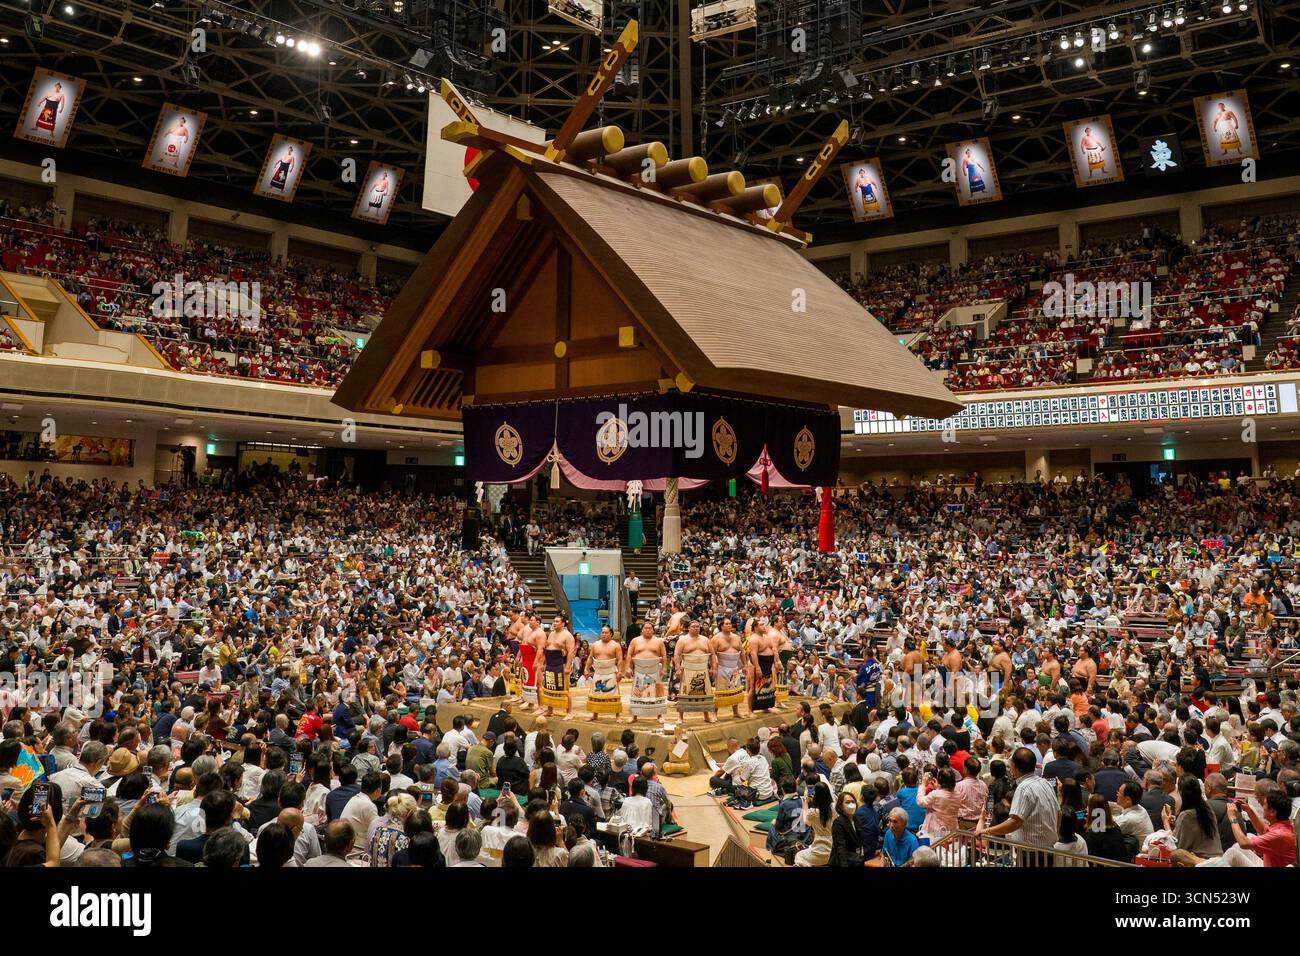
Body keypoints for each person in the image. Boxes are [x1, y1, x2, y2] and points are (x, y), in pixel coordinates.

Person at [976, 747, 1060, 858]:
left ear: (1014, 766)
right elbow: (1059, 813)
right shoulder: (1045, 783)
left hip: (1031, 853)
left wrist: (985, 831)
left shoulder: (1023, 788)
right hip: (1049, 848)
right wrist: (1055, 836)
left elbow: (1015, 822)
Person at [1163, 774, 1223, 859]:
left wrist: (1166, 822)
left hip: (1202, 862)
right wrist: (1177, 822)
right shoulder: (1207, 808)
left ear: (1180, 791)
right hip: (1218, 859)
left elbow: (1175, 848)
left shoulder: (1186, 816)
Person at [794, 782, 833, 867]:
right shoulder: (834, 807)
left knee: (799, 856)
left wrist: (805, 801)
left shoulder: (813, 812)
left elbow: (806, 821)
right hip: (834, 851)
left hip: (820, 851)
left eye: (814, 793)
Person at [829, 790, 864, 866]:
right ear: (841, 806)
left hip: (855, 859)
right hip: (842, 862)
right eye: (847, 802)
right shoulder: (838, 823)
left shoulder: (856, 819)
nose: (851, 804)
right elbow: (840, 849)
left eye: (853, 802)